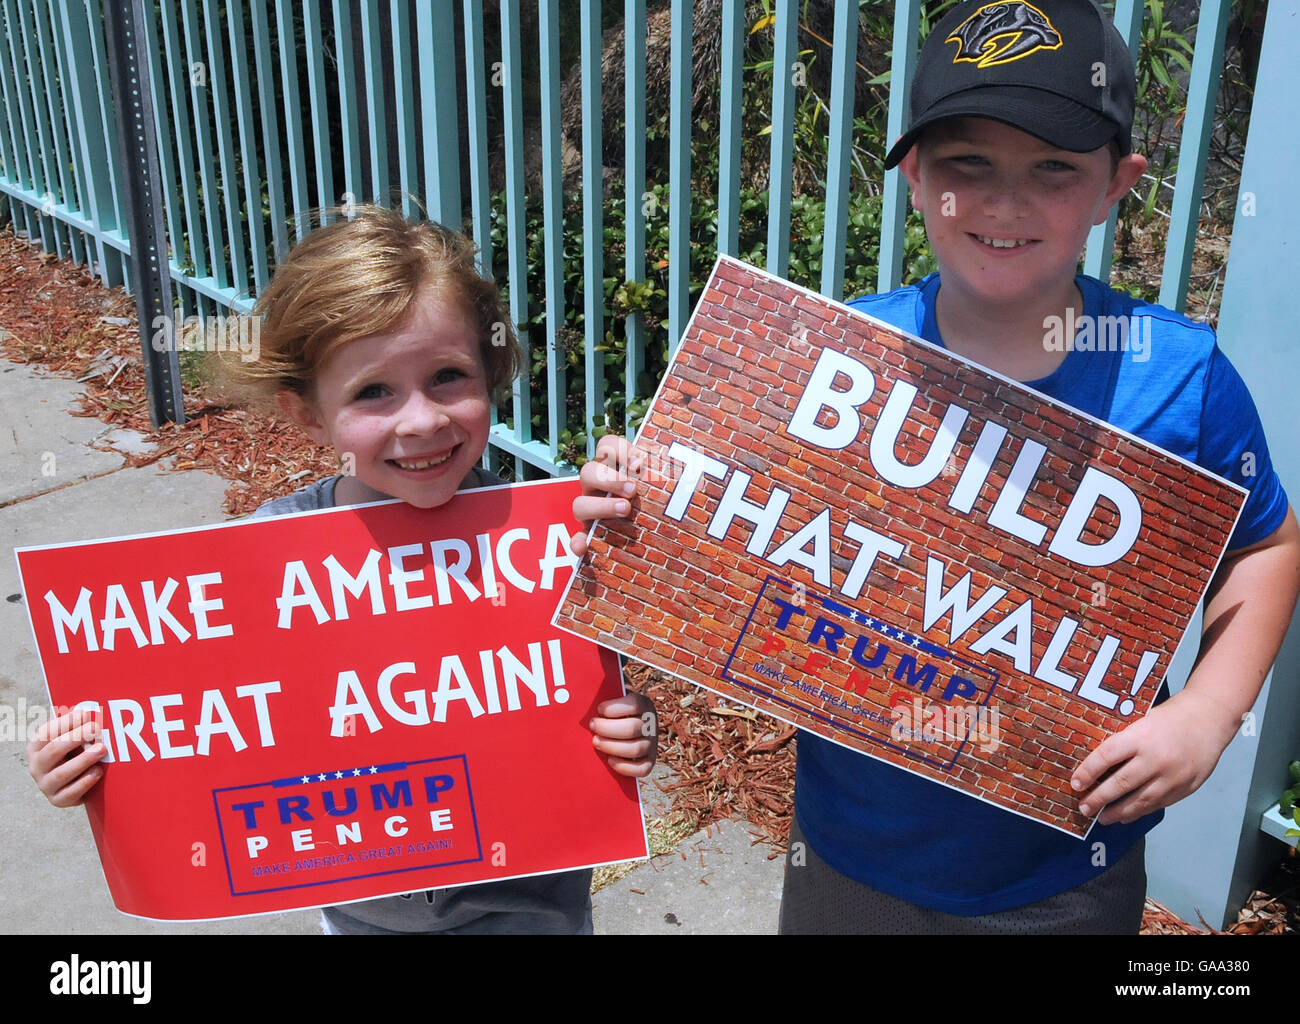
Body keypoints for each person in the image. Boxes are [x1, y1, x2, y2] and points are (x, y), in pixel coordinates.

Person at [572, 0, 1300, 933]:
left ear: (1119, 183)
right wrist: (636, 494)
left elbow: (1267, 546)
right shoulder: (840, 357)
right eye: (968, 165)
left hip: (1064, 868)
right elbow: (725, 511)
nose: (1005, 203)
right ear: (914, 176)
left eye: (1054, 169)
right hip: (847, 846)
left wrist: (1207, 714)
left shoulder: (1179, 379)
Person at [27, 205, 657, 934]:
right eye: (372, 392)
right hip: (363, 918)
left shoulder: (556, 539)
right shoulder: (267, 553)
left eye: (448, 376)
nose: (420, 420)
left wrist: (627, 726)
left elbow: (589, 691)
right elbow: (190, 721)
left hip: (531, 912)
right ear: (308, 416)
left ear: (493, 373)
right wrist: (83, 762)